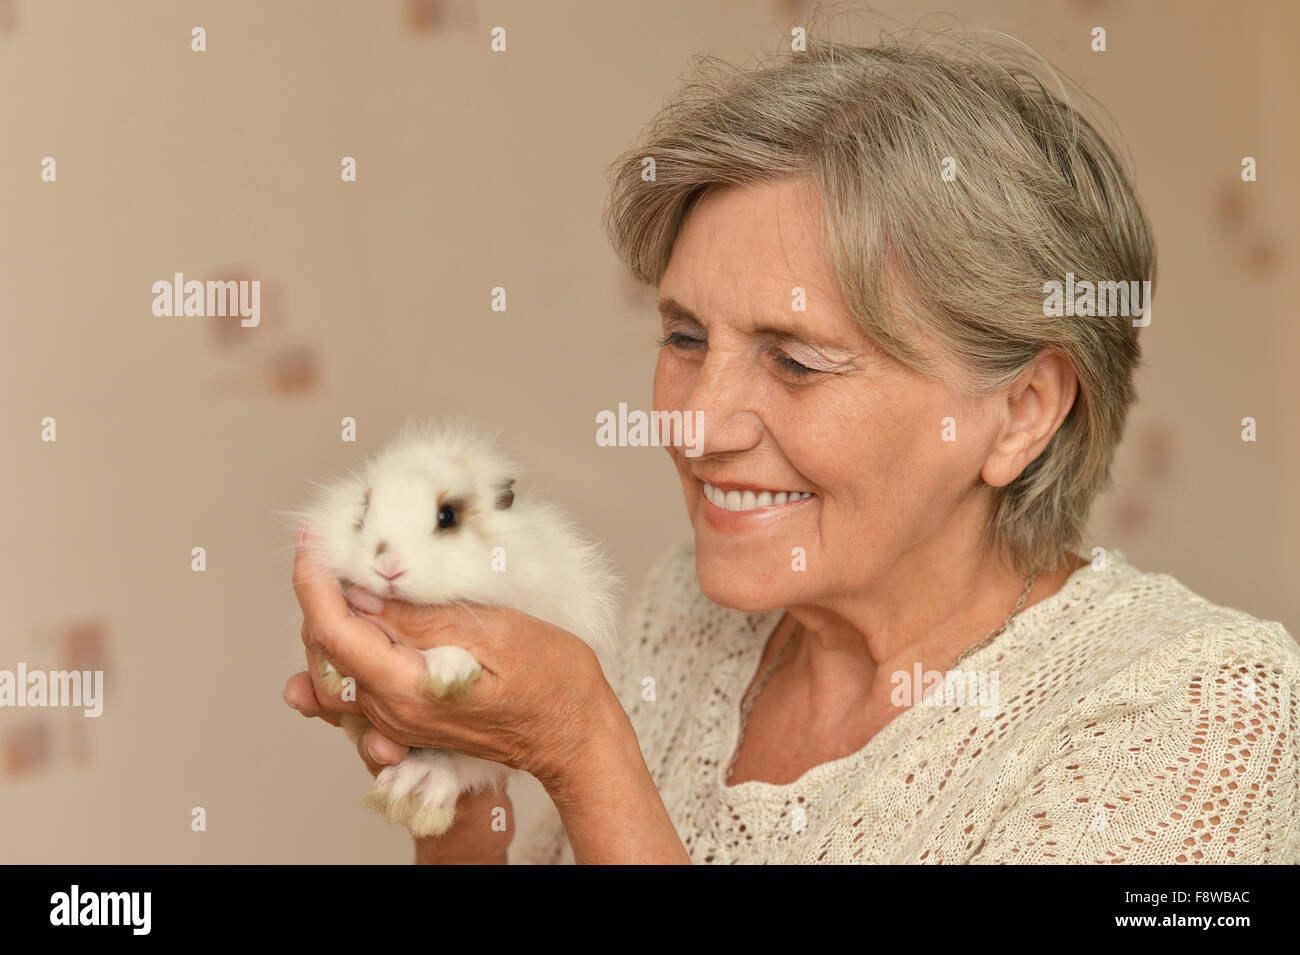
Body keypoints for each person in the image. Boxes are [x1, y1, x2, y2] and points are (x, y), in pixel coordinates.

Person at [283, 31, 1300, 864]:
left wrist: (584, 751)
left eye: (799, 361)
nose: (699, 422)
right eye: (685, 337)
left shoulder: (1200, 713)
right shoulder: (685, 617)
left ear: (1021, 411)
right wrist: (454, 773)